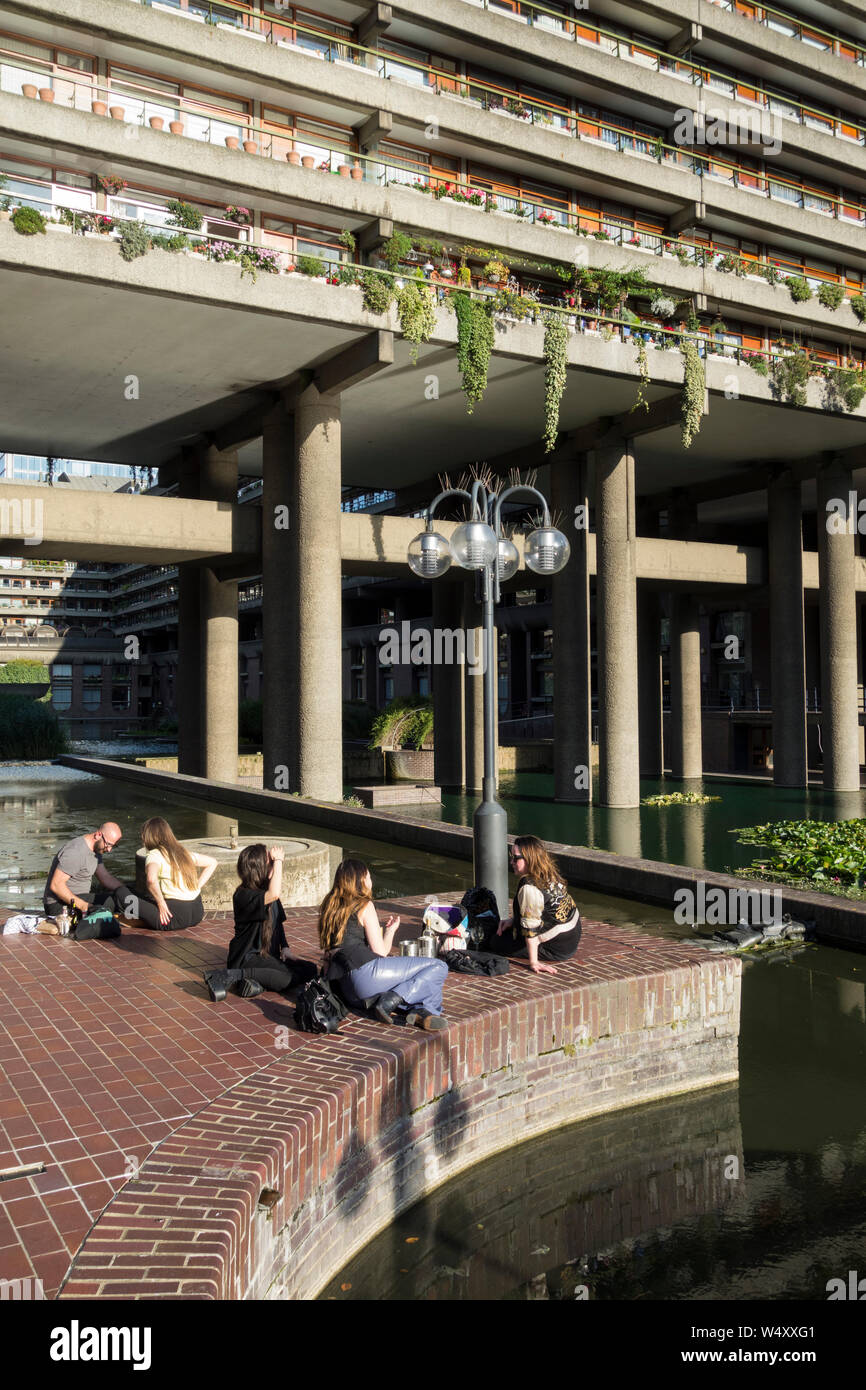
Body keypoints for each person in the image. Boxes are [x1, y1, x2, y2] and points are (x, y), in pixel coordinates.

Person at [320, 859, 449, 1031]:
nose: (371, 882)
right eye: (369, 877)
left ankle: (422, 1012)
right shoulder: (364, 904)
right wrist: (390, 933)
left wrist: (389, 931)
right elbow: (380, 951)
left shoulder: (329, 906)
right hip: (366, 975)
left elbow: (328, 953)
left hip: (348, 990)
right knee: (438, 967)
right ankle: (393, 1000)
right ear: (362, 881)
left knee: (421, 987)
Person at [203, 843, 316, 1002]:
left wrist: (285, 948)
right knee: (285, 979)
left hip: (266, 956)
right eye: (269, 861)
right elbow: (274, 893)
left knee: (310, 969)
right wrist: (279, 862)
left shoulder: (267, 892)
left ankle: (254, 984)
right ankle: (228, 975)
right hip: (246, 958)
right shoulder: (243, 895)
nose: (272, 864)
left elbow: (278, 923)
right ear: (260, 868)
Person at [485, 836, 581, 975]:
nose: (511, 861)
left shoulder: (529, 888)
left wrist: (533, 962)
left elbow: (531, 928)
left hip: (558, 947)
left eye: (516, 858)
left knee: (495, 941)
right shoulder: (548, 873)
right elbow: (546, 910)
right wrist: (513, 921)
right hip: (573, 934)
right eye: (511, 856)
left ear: (530, 859)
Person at [121, 817, 216, 931]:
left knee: (121, 892)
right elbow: (212, 862)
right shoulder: (182, 852)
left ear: (148, 836)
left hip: (173, 917)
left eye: (143, 835)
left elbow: (151, 879)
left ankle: (136, 919)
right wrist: (197, 886)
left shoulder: (154, 854)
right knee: (148, 897)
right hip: (197, 912)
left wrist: (161, 903)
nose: (142, 838)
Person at [43, 823, 131, 918]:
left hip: (80, 897)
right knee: (112, 902)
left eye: (113, 846)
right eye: (108, 844)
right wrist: (85, 906)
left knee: (120, 898)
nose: (109, 849)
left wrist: (126, 891)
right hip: (58, 905)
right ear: (98, 835)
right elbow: (56, 885)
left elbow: (105, 878)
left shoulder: (97, 849)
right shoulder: (75, 852)